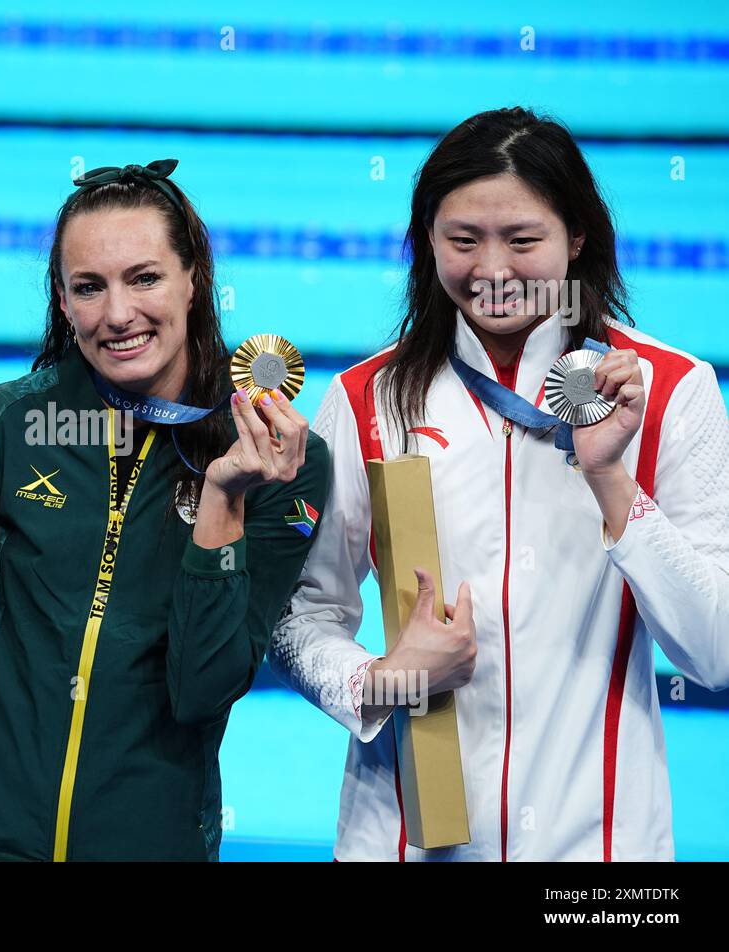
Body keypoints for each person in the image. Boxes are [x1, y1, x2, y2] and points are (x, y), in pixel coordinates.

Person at [269, 107, 729, 861]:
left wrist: (610, 476)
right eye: (462, 240)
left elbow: (714, 653)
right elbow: (296, 617)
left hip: (601, 855)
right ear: (426, 242)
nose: (493, 271)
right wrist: (382, 678)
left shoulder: (672, 391)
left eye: (522, 240)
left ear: (576, 236)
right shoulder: (366, 400)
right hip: (403, 842)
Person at [0, 159, 330, 861]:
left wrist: (222, 502)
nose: (117, 314)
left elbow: (203, 688)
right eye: (88, 288)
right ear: (64, 302)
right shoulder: (1, 425)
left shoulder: (281, 460)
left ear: (194, 279)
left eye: (144, 277)